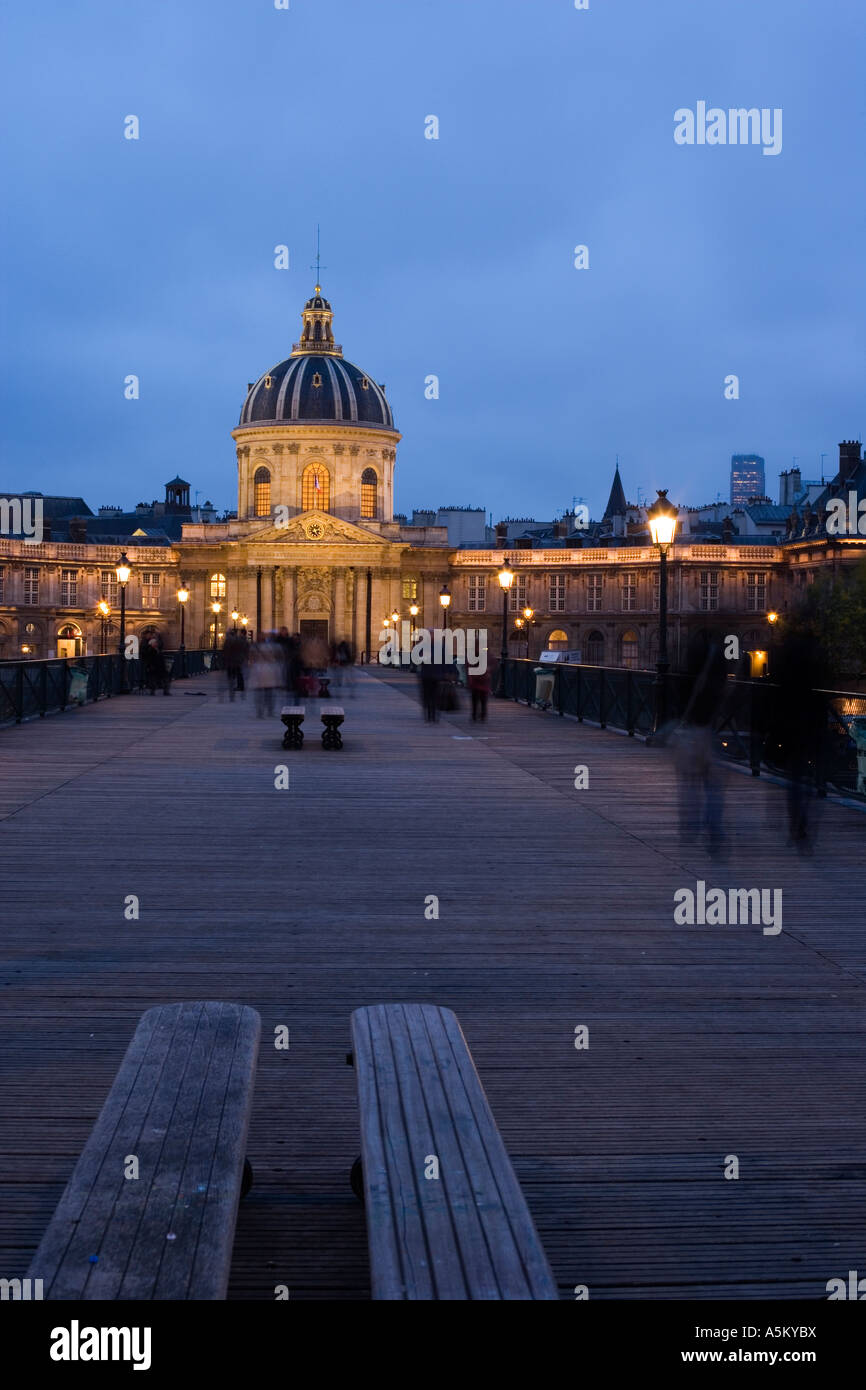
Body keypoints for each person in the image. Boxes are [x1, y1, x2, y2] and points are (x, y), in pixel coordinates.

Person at [672, 632, 728, 854]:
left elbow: (676, 695)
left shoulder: (684, 667)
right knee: (712, 785)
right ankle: (714, 829)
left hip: (689, 732)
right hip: (708, 731)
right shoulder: (715, 667)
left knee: (689, 784)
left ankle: (690, 826)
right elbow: (723, 693)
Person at [248, 631, 283, 718]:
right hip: (269, 671)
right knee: (269, 693)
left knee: (261, 693)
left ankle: (260, 711)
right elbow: (278, 657)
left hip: (259, 672)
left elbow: (251, 660)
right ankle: (269, 711)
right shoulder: (271, 647)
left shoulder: (254, 647)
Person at [223, 629, 248, 701]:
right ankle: (239, 686)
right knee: (238, 673)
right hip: (239, 659)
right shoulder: (241, 640)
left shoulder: (235, 640)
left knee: (238, 673)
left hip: (237, 659)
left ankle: (239, 686)